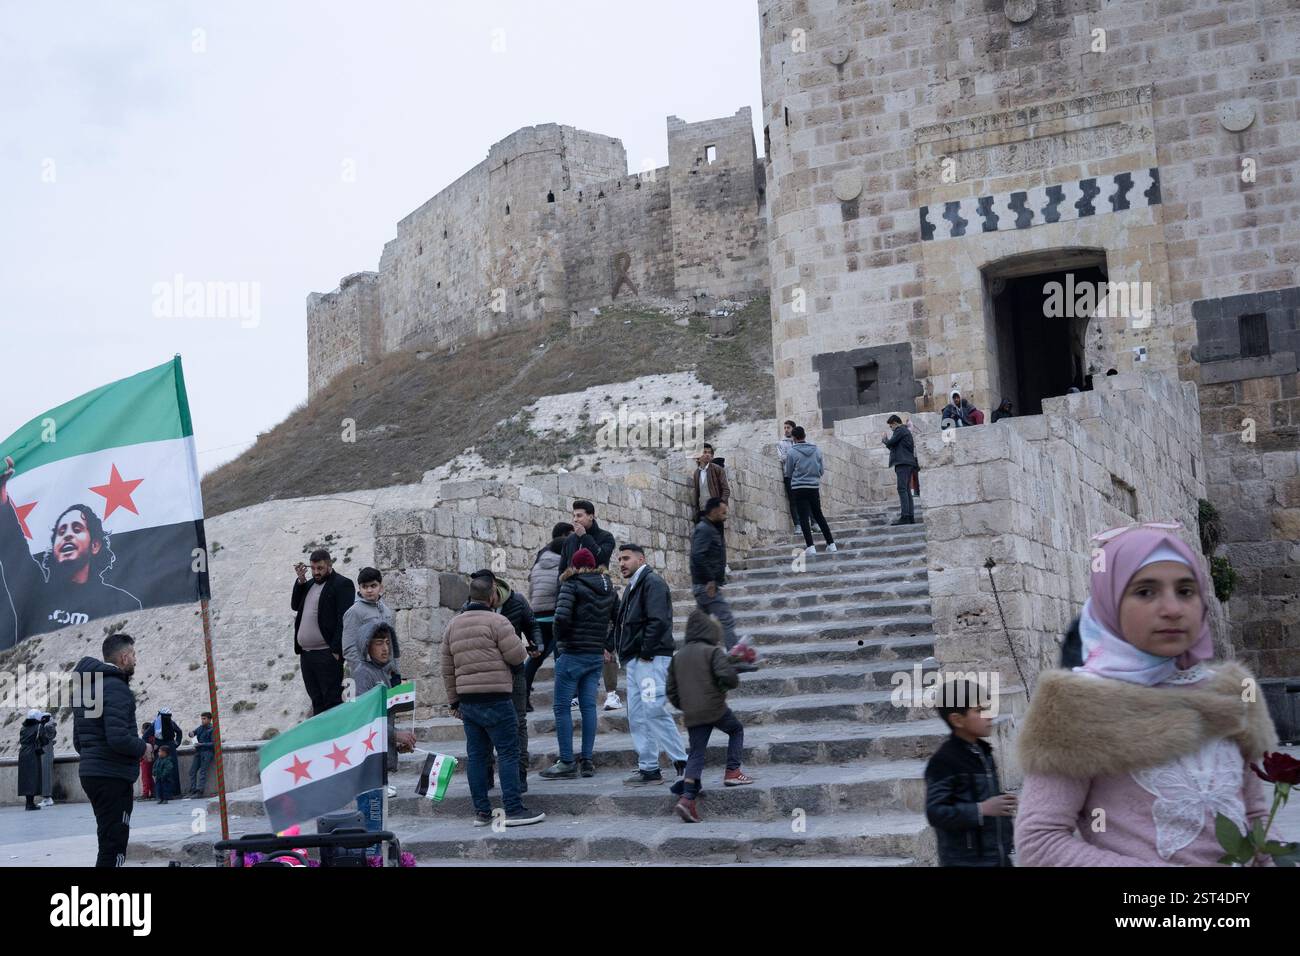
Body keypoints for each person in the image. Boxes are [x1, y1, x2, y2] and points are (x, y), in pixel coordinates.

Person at [1014, 525, 1278, 866]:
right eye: (1145, 592)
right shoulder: (1078, 706)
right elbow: (1040, 843)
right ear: (1110, 601)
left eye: (1185, 590)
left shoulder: (1230, 692)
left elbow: (1255, 815)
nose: (1172, 608)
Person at [0, 456, 142, 650]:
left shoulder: (121, 600)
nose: (67, 535)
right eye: (61, 531)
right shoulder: (36, 591)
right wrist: (2, 499)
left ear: (95, 545)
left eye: (76, 528)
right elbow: (15, 551)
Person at [440, 575, 544, 827]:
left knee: (476, 756)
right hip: (497, 698)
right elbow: (517, 656)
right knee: (508, 752)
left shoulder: (453, 626)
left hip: (468, 701)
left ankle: (483, 813)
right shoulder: (499, 621)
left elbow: (447, 667)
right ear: (492, 597)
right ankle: (513, 809)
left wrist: (454, 702)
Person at [666, 610, 753, 822]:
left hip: (692, 712)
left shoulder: (677, 657)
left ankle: (687, 799)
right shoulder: (712, 651)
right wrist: (733, 672)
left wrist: (685, 704)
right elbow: (727, 677)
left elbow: (671, 690)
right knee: (736, 729)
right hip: (714, 708)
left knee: (696, 753)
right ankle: (733, 772)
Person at [612, 544, 687, 785]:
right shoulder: (633, 586)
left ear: (641, 558)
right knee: (637, 714)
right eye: (619, 559)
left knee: (653, 709)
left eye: (626, 558)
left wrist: (646, 651)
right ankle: (649, 767)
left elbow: (659, 620)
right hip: (634, 659)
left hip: (650, 658)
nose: (621, 563)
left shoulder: (652, 582)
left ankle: (682, 762)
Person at [542, 547, 618, 779]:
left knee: (562, 707)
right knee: (588, 708)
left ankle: (566, 761)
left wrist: (561, 642)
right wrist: (607, 645)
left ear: (574, 566)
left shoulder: (571, 584)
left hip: (572, 653)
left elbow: (561, 618)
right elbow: (619, 620)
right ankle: (587, 760)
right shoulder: (608, 588)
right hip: (595, 655)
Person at [73, 632, 147, 867]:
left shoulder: (86, 688)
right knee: (114, 845)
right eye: (134, 654)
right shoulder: (116, 688)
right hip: (112, 776)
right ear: (124, 657)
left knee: (107, 840)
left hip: (92, 773)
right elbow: (118, 738)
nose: (136, 660)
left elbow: (78, 741)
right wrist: (144, 747)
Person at [924, 678, 1015, 867]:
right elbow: (936, 812)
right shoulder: (944, 761)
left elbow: (982, 797)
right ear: (958, 720)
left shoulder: (984, 753)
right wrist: (981, 809)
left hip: (997, 859)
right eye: (980, 710)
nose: (990, 715)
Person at [468, 569, 540, 795]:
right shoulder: (470, 607)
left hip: (514, 672)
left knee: (518, 723)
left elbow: (532, 625)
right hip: (485, 676)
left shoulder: (517, 601)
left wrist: (536, 644)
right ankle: (487, 777)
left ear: (492, 592)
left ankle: (520, 777)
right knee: (484, 730)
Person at [558, 499, 621, 710]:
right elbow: (563, 570)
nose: (575, 520)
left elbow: (601, 557)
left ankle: (611, 693)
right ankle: (576, 693)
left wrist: (585, 537)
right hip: (576, 599)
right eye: (574, 516)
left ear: (591, 516)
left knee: (606, 645)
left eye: (580, 515)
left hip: (600, 595)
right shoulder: (569, 542)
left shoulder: (605, 537)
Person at [352, 623, 417, 813]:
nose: (385, 648)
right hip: (369, 764)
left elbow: (384, 717)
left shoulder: (382, 672)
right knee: (371, 822)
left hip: (379, 764)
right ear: (367, 646)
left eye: (388, 642)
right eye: (379, 643)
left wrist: (395, 742)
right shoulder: (363, 673)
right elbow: (366, 719)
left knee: (378, 825)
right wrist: (396, 735)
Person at [291, 548, 356, 715]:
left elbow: (344, 619)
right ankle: (323, 739)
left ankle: (336, 738)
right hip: (307, 655)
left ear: (329, 565)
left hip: (327, 655)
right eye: (312, 568)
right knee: (316, 700)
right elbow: (294, 605)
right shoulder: (309, 584)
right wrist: (300, 580)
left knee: (332, 701)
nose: (316, 572)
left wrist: (335, 650)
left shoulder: (342, 584)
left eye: (319, 568)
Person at [525, 522, 573, 711]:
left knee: (536, 657)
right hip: (555, 616)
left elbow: (531, 591)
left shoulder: (537, 566)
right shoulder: (562, 567)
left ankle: (524, 696)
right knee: (562, 657)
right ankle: (566, 697)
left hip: (537, 616)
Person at [690, 497, 739, 652]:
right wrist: (710, 580)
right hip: (707, 587)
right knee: (726, 620)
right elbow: (697, 555)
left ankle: (695, 660)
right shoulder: (705, 529)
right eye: (723, 512)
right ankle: (735, 658)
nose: (726, 515)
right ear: (714, 510)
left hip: (703, 586)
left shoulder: (711, 528)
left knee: (701, 628)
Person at [783, 426, 836, 555]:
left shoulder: (791, 452)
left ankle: (810, 546)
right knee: (818, 515)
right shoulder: (816, 450)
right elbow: (821, 470)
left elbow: (788, 472)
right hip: (813, 487)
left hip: (799, 488)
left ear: (794, 438)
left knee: (803, 517)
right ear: (805, 435)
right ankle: (831, 543)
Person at [342, 567, 399, 677]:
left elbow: (391, 643)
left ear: (380, 587)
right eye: (365, 586)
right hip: (366, 675)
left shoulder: (386, 610)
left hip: (386, 673)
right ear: (359, 588)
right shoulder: (354, 612)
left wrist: (395, 670)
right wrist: (365, 673)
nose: (369, 590)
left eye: (373, 586)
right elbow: (349, 649)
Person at [882, 414, 918, 526]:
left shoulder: (900, 430)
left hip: (903, 463)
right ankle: (910, 516)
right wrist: (888, 442)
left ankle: (905, 516)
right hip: (907, 463)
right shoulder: (903, 432)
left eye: (891, 426)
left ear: (895, 423)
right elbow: (893, 446)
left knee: (902, 489)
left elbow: (890, 443)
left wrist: (884, 439)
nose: (891, 428)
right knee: (906, 490)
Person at [691, 443, 731, 520]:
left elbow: (726, 490)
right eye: (704, 452)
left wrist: (720, 505)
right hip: (702, 511)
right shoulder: (696, 473)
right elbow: (697, 493)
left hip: (715, 512)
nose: (707, 455)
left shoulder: (717, 469)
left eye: (709, 453)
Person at [153, 707, 183, 800]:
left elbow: (179, 732)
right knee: (160, 770)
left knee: (172, 770)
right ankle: (161, 794)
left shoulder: (171, 723)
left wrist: (176, 743)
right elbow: (146, 735)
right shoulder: (155, 724)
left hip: (170, 747)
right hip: (160, 748)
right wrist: (152, 746)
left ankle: (174, 792)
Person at [17, 709, 44, 810]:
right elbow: (44, 739)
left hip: (23, 753)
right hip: (32, 753)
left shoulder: (23, 728)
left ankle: (28, 802)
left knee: (25, 778)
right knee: (33, 778)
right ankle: (30, 804)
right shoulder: (39, 726)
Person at [777, 420, 800, 531]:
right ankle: (797, 525)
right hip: (788, 475)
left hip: (800, 474)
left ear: (793, 429)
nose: (786, 430)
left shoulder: (798, 442)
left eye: (788, 428)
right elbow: (781, 458)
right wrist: (792, 454)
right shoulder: (781, 443)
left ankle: (813, 523)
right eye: (785, 427)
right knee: (793, 501)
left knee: (805, 499)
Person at [185, 712, 215, 798]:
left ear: (209, 720)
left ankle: (199, 792)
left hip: (207, 752)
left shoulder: (212, 729)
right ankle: (193, 790)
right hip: (198, 752)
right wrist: (191, 734)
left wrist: (202, 744)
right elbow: (193, 733)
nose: (202, 720)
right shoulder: (201, 728)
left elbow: (214, 743)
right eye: (202, 718)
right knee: (192, 771)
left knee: (202, 772)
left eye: (204, 719)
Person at [37, 711, 56, 807]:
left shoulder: (48, 726)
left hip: (46, 754)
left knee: (46, 775)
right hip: (46, 753)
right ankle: (46, 798)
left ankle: (47, 798)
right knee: (45, 775)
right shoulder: (49, 726)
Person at [138, 722, 156, 801]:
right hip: (151, 759)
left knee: (145, 777)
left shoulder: (146, 738)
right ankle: (153, 792)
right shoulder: (153, 737)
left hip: (145, 759)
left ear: (144, 729)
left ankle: (145, 793)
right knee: (149, 777)